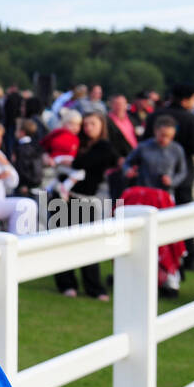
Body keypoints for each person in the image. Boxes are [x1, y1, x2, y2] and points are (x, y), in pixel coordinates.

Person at [53, 112, 116, 300]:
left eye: (92, 124)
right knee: (63, 241)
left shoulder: (103, 146)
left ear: (101, 125)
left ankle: (94, 287)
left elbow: (84, 163)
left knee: (88, 243)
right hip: (65, 196)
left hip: (86, 198)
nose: (88, 128)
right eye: (85, 124)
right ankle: (66, 284)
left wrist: (69, 161)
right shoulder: (75, 142)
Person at [124, 116, 188, 192]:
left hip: (165, 193)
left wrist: (172, 181)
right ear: (155, 131)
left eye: (170, 137)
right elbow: (127, 162)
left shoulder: (177, 149)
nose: (165, 139)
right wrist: (128, 170)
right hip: (144, 191)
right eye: (163, 135)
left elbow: (182, 171)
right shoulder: (143, 147)